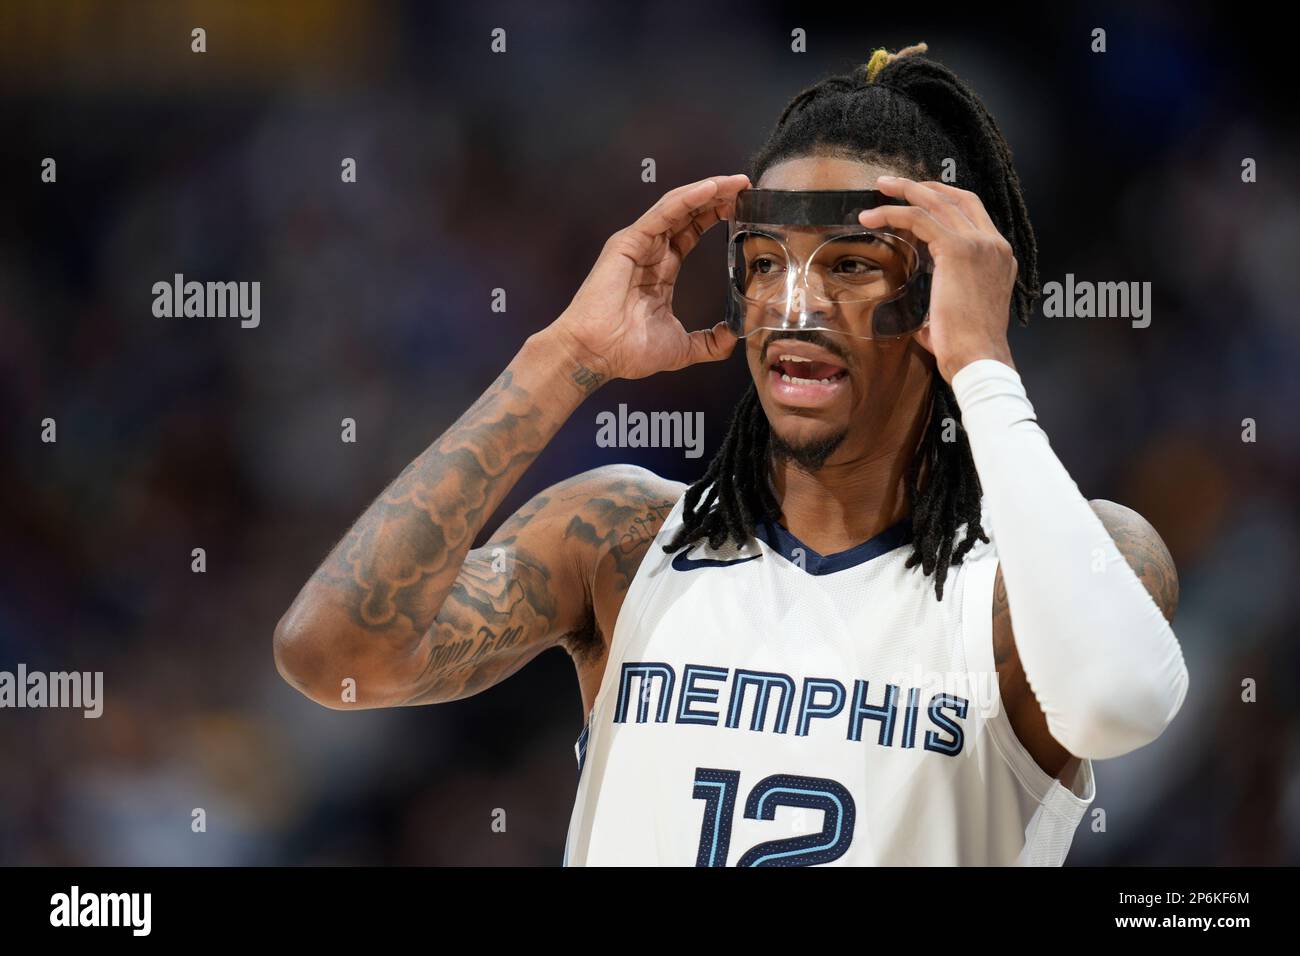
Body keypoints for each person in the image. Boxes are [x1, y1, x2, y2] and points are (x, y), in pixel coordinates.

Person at [273, 43, 1188, 866]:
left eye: (850, 264)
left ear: (945, 291)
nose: (795, 304)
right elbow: (335, 654)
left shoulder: (1039, 581)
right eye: (763, 264)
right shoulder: (622, 537)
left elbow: (1117, 701)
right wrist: (563, 358)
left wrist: (982, 364)